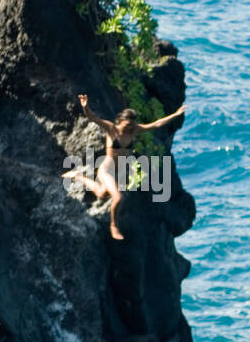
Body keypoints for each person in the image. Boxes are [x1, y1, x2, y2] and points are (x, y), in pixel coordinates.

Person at [63, 94, 186, 240]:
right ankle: (114, 226)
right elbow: (93, 118)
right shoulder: (111, 128)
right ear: (120, 120)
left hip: (120, 171)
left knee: (102, 194)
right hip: (106, 170)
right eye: (127, 125)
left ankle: (77, 176)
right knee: (118, 197)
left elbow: (156, 124)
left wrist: (176, 114)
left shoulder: (135, 130)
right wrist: (85, 107)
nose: (129, 128)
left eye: (132, 125)